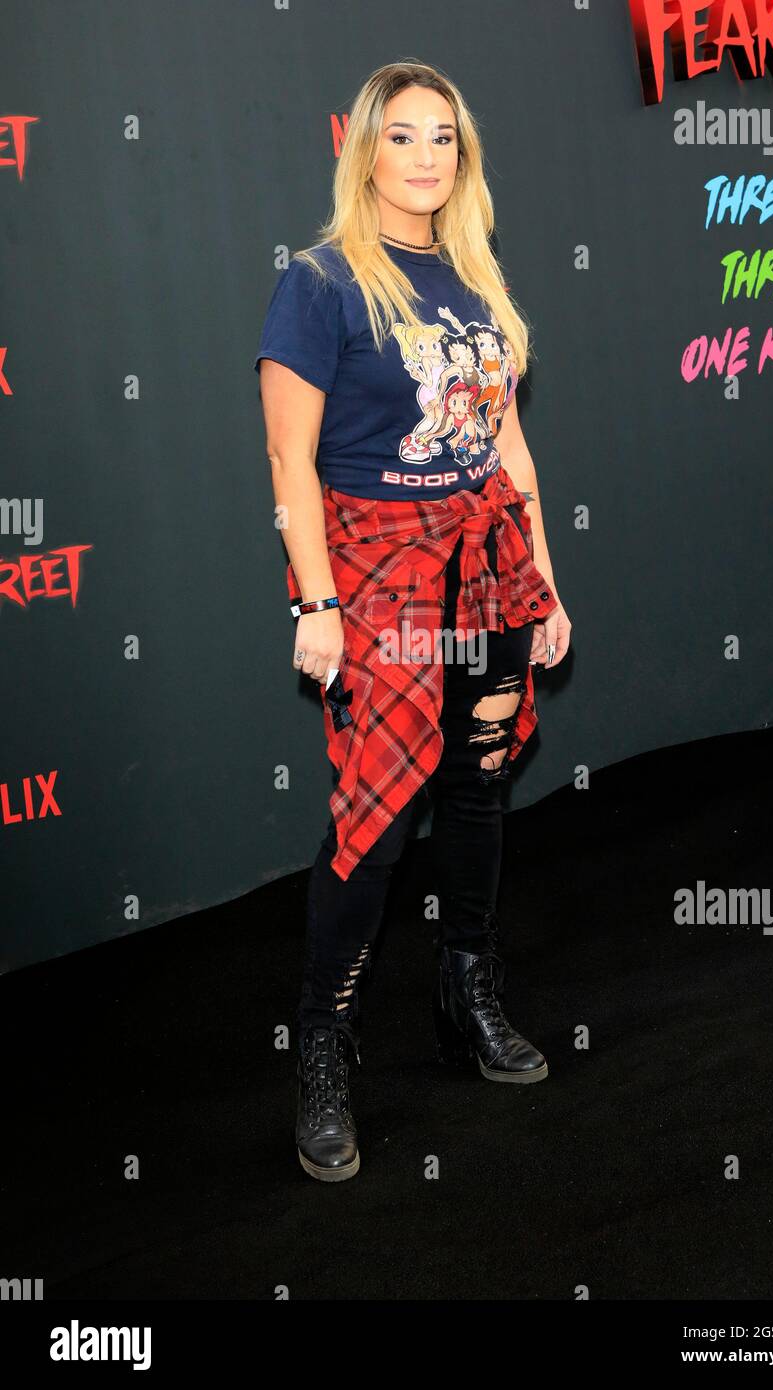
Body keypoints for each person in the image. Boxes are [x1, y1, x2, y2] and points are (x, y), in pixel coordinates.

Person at [254, 60, 571, 1183]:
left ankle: (465, 990)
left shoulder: (476, 279)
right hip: (379, 576)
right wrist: (317, 601)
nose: (427, 156)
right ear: (366, 153)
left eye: (444, 137)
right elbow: (289, 460)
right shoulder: (322, 280)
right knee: (378, 813)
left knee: (479, 781)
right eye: (404, 137)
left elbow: (503, 445)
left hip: (484, 568)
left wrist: (540, 574)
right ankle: (325, 1043)